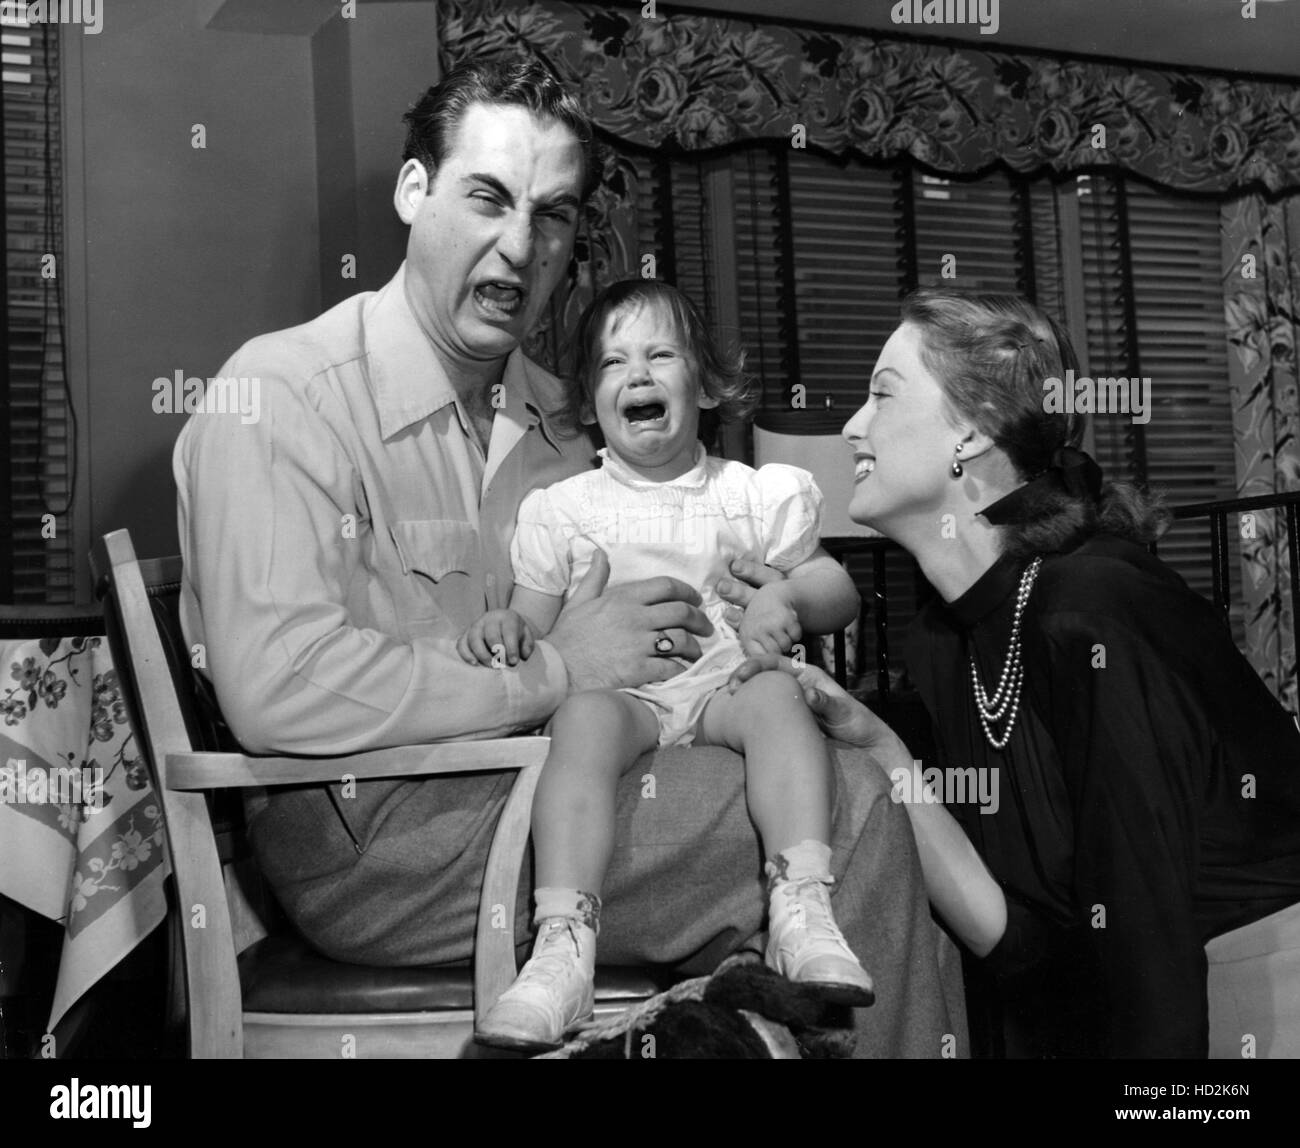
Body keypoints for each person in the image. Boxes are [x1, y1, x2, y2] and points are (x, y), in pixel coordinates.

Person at [172, 58, 966, 1057]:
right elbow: (277, 686)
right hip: (386, 836)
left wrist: (763, 600)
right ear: (414, 193)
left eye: (551, 214)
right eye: (487, 198)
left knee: (828, 772)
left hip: (554, 777)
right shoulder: (284, 397)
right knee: (853, 812)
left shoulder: (564, 412)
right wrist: (557, 667)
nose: (518, 246)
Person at [735, 286, 1300, 1058]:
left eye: (881, 395)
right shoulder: (944, 637)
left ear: (969, 432)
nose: (852, 425)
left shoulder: (1095, 613)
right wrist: (882, 750)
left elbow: (1148, 954)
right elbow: (1024, 949)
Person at [457, 280, 872, 1050]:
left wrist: (789, 596)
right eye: (613, 362)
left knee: (779, 697)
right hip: (626, 700)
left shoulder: (751, 495)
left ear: (707, 383)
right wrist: (507, 625)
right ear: (589, 400)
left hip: (725, 687)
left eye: (660, 355)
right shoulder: (568, 507)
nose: (637, 375)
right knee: (577, 719)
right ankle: (563, 944)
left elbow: (836, 589)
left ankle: (801, 903)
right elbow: (538, 625)